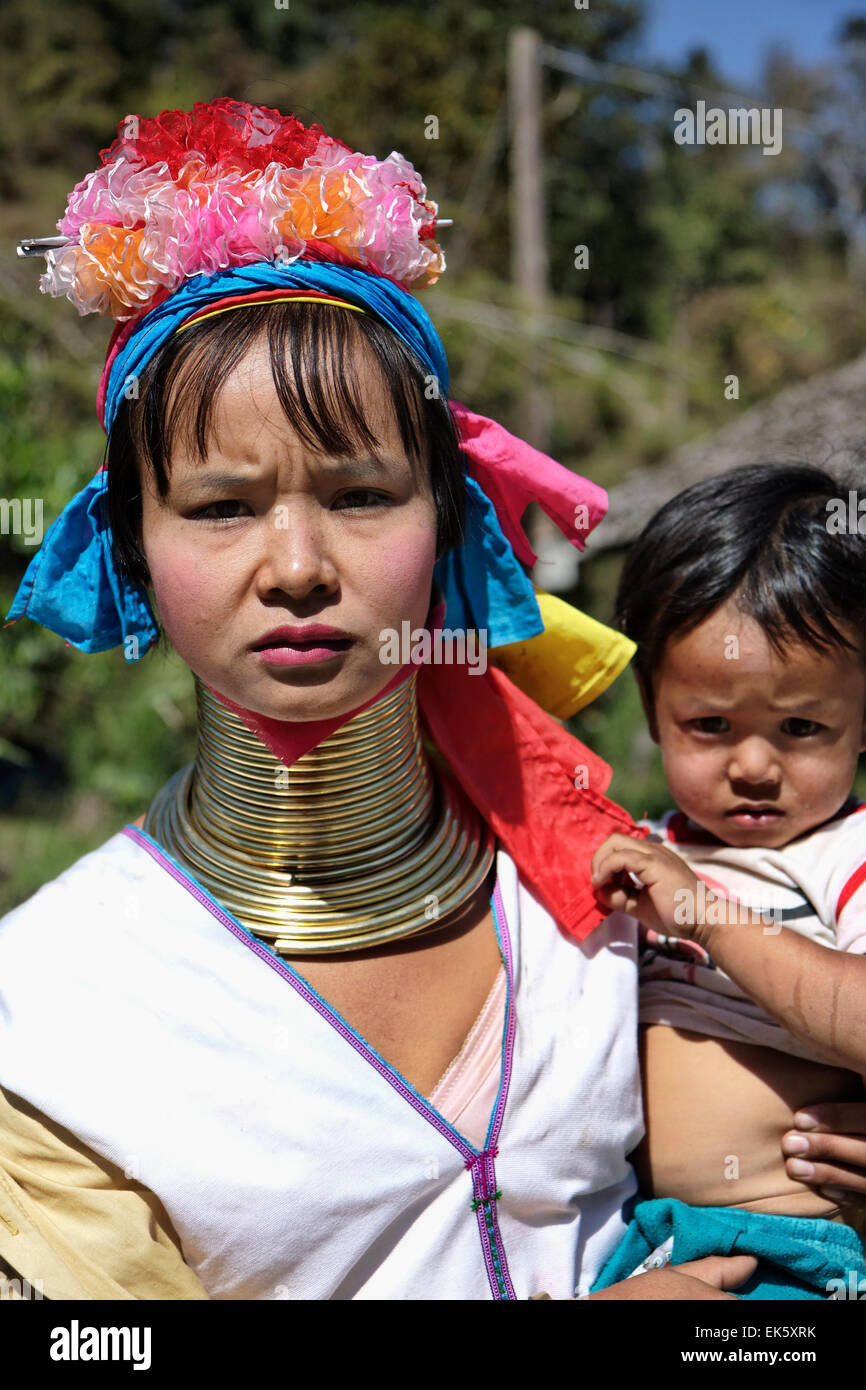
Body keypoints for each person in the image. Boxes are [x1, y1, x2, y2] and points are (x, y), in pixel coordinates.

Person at [0, 102, 863, 1302]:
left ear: (454, 526)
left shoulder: (614, 891)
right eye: (219, 506)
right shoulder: (45, 1016)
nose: (296, 565)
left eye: (360, 496)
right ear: (129, 550)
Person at [591, 464, 866, 1299]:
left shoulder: (846, 854)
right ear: (651, 707)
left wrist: (708, 916)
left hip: (802, 1252)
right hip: (649, 1243)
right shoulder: (638, 855)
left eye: (801, 727)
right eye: (709, 725)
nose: (753, 765)